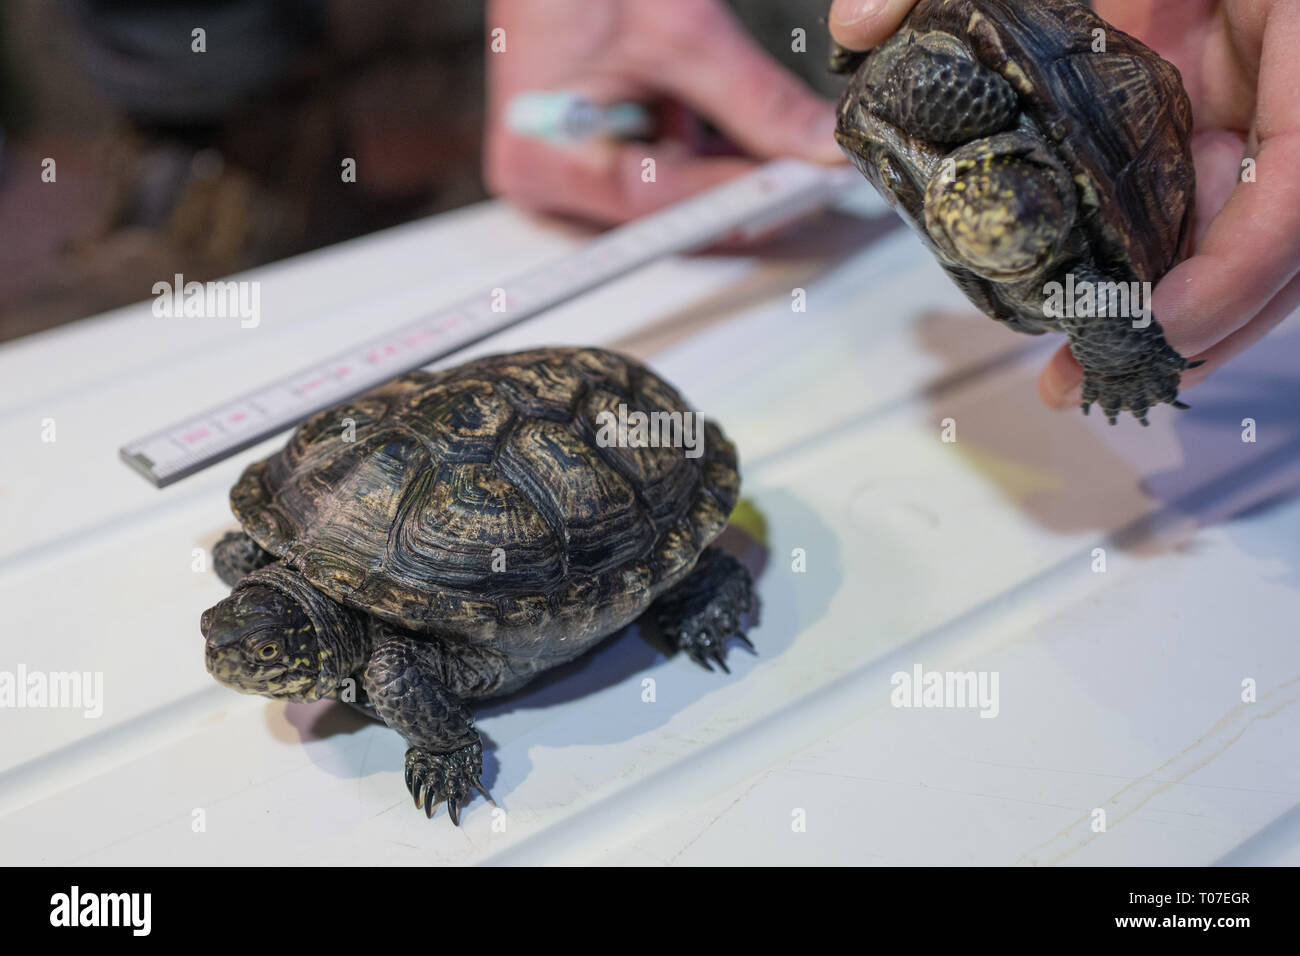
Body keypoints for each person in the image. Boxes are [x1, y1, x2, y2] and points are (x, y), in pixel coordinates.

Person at [487, 0, 1300, 413]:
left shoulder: (1066, 273)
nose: (994, 240)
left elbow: (1103, 297)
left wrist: (1126, 357)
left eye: (1027, 234)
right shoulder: (960, 104)